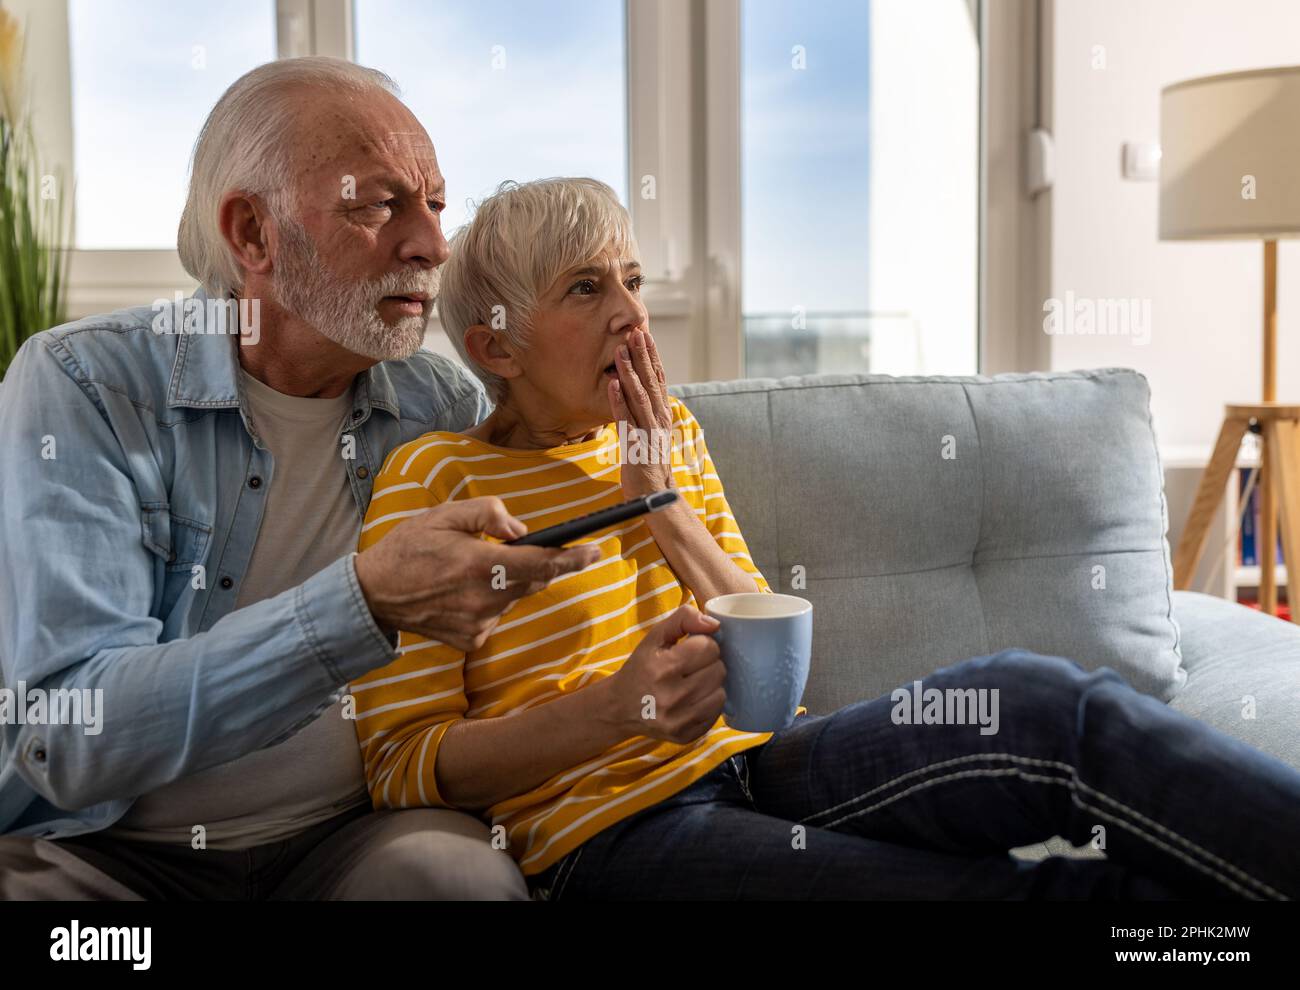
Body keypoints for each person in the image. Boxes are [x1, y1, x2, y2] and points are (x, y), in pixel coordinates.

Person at [354, 176, 1300, 900]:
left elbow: (775, 677)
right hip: (607, 837)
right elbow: (403, 764)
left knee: (1049, 707)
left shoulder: (666, 435)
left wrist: (658, 501)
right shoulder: (438, 481)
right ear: (497, 348)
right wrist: (617, 710)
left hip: (763, 758)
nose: (633, 314)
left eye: (635, 281)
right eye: (587, 287)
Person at [0, 57, 600, 900]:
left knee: (456, 881)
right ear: (253, 233)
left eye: (433, 204)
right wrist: (362, 605)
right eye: (378, 204)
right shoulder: (83, 386)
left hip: (353, 837)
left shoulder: (439, 403)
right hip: (106, 853)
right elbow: (69, 733)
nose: (431, 244)